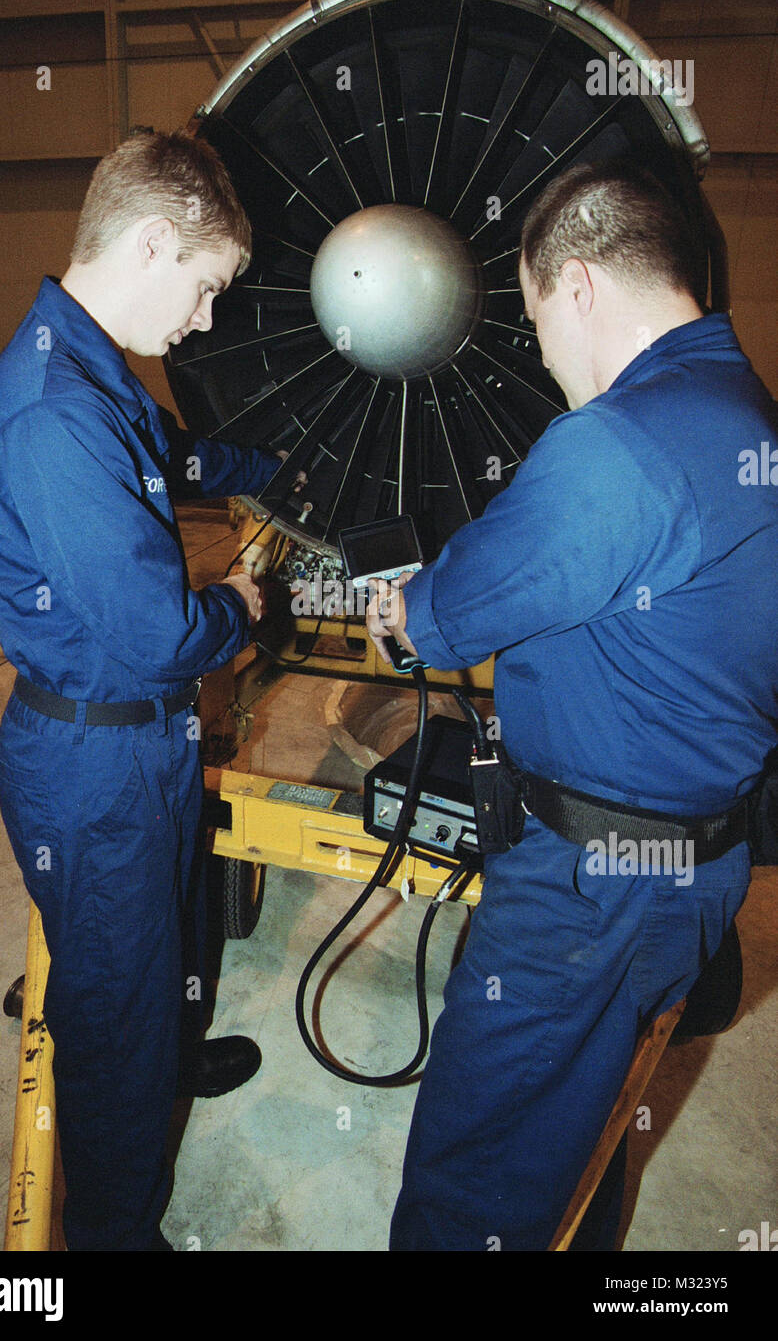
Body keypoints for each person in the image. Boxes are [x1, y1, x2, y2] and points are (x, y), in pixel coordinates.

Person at [366, 159, 778, 1251]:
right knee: (582, 1125)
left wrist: (400, 607)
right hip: (685, 864)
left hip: (587, 890)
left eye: (538, 314)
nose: (542, 353)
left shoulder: (614, 447)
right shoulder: (737, 407)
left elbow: (446, 615)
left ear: (581, 285)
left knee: (479, 1162)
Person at [0, 128, 290, 1251]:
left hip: (134, 753)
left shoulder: (95, 372)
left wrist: (278, 464)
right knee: (109, 1027)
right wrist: (241, 606)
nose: (202, 321)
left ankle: (171, 1044)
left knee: (170, 948)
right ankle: (113, 1232)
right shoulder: (55, 411)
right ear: (152, 243)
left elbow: (181, 457)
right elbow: (159, 635)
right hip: (94, 766)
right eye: (202, 289)